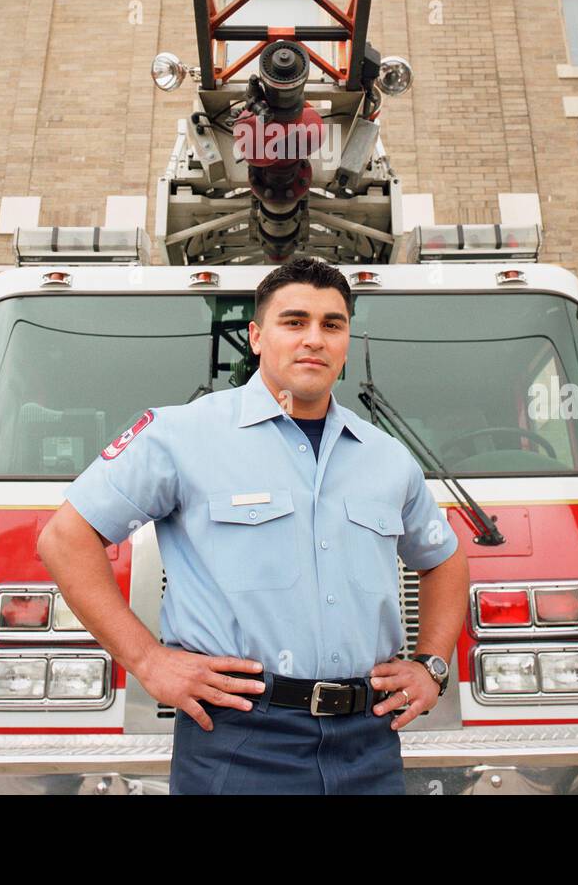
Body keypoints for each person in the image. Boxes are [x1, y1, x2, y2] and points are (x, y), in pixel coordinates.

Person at [37, 256, 469, 795]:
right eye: (295, 322)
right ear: (257, 336)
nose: (314, 338)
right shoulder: (181, 435)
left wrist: (431, 666)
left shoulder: (387, 458)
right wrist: (147, 660)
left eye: (331, 325)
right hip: (239, 735)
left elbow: (444, 558)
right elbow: (65, 537)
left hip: (369, 740)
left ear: (346, 343)